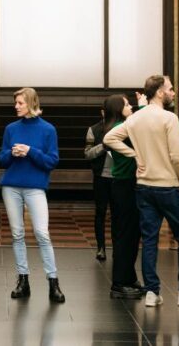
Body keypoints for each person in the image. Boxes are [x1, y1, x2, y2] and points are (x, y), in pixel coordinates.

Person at [104, 75, 179, 308]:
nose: (173, 93)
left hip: (143, 187)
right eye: (170, 89)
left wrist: (135, 155)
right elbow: (176, 155)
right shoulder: (169, 118)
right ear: (160, 92)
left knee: (150, 240)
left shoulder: (135, 118)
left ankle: (152, 292)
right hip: (168, 186)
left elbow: (110, 138)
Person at [0, 87, 65, 303]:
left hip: (36, 187)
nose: (16, 106)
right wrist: (12, 153)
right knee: (17, 234)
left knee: (42, 233)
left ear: (31, 103)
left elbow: (52, 161)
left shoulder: (48, 130)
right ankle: (23, 280)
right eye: (15, 103)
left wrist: (30, 151)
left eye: (20, 103)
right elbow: (1, 159)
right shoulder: (11, 128)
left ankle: (53, 282)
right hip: (11, 186)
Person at [102, 94, 145, 299]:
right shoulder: (122, 125)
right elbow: (141, 126)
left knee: (128, 234)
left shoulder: (120, 124)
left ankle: (129, 278)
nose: (131, 106)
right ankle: (119, 283)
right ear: (119, 108)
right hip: (125, 184)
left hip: (122, 184)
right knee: (126, 235)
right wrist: (145, 108)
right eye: (127, 104)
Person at [84, 110, 112, 262]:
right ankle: (100, 247)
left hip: (120, 177)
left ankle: (118, 247)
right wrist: (103, 146)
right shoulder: (93, 129)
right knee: (100, 212)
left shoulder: (125, 127)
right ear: (102, 112)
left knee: (119, 214)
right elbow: (87, 153)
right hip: (101, 176)